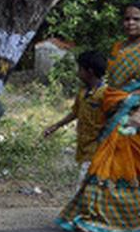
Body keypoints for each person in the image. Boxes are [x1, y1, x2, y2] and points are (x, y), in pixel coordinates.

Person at [57, 2, 140, 232]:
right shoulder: (119, 49)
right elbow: (115, 86)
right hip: (117, 116)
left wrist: (139, 113)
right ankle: (99, 220)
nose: (130, 23)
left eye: (137, 19)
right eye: (127, 19)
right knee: (107, 165)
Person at [41, 50, 107, 184]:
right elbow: (75, 112)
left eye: (80, 69)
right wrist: (56, 126)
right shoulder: (83, 93)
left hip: (99, 151)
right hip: (84, 148)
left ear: (90, 71)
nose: (78, 73)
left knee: (84, 189)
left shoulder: (105, 94)